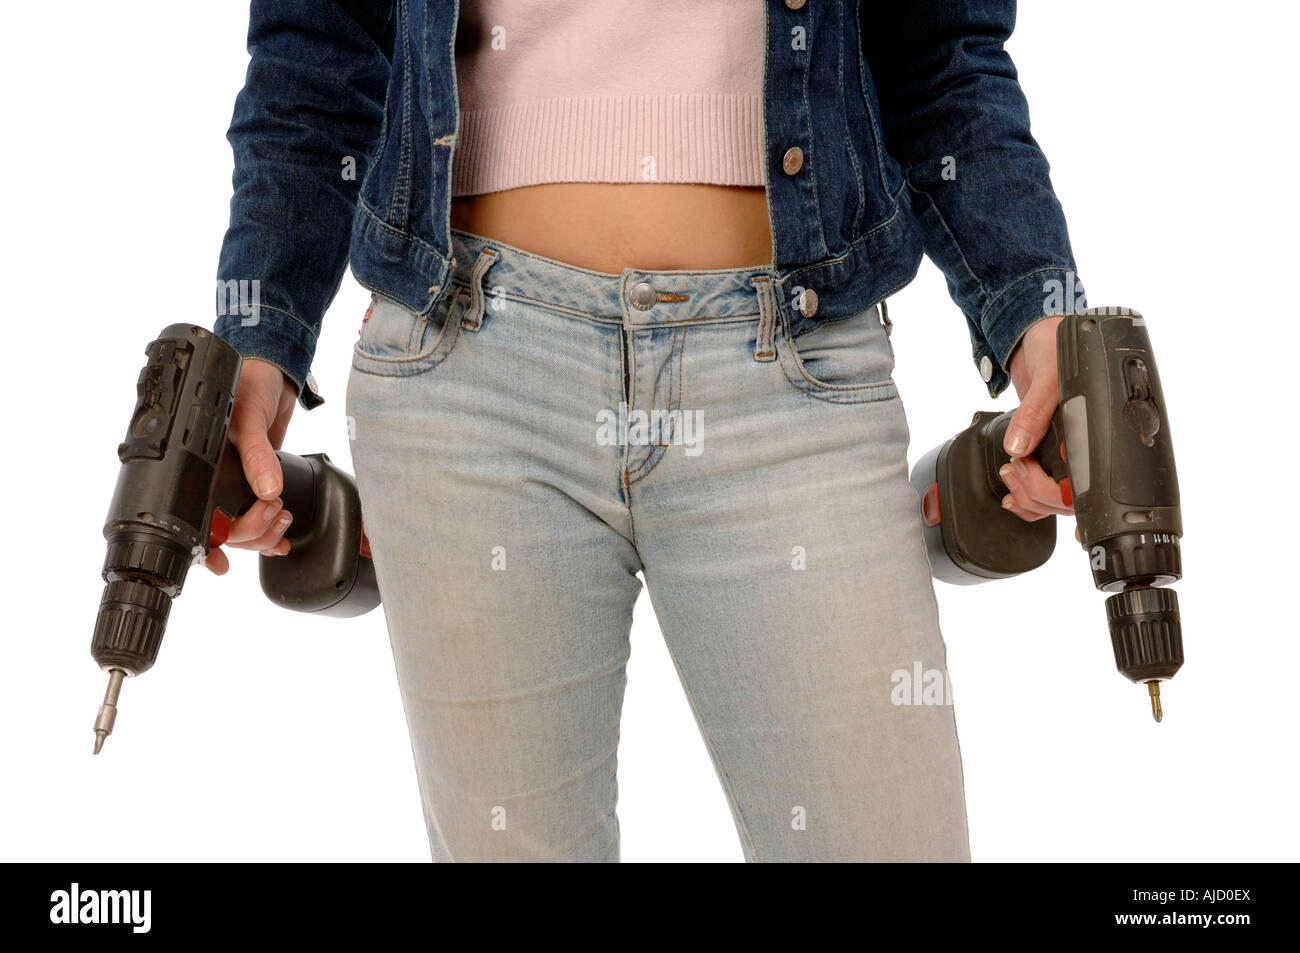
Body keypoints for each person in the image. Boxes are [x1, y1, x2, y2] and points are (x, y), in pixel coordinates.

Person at [208, 0, 1078, 862]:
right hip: (469, 372)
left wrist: (1036, 306)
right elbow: (316, 53)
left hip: (791, 359)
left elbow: (940, 57)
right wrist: (259, 338)